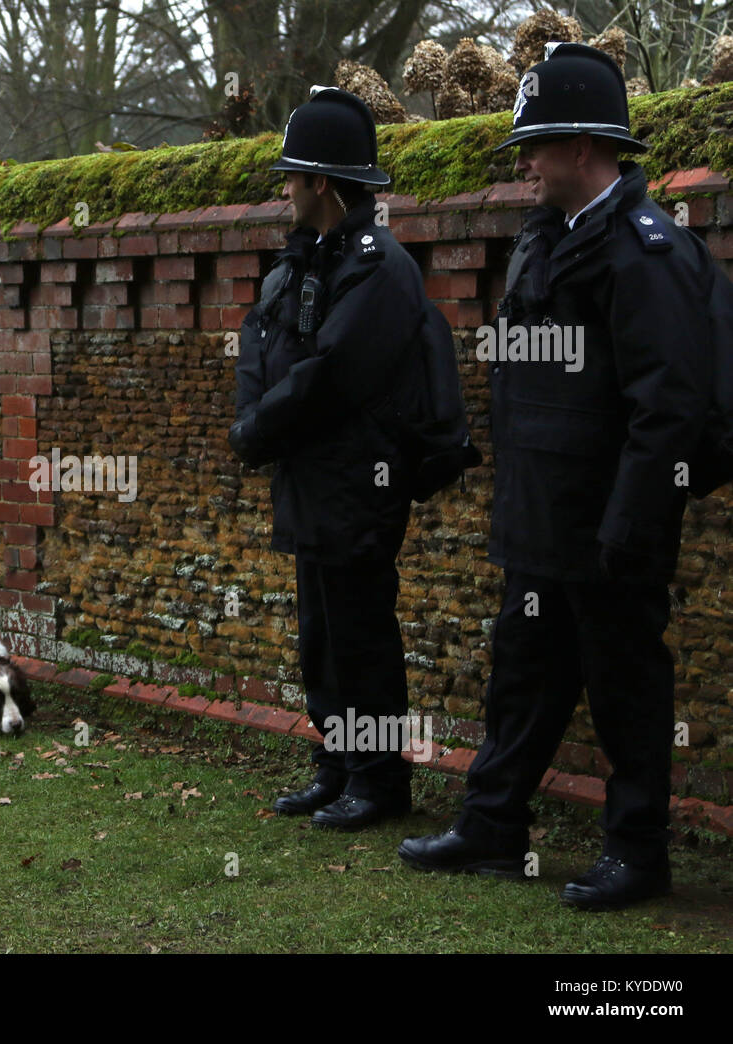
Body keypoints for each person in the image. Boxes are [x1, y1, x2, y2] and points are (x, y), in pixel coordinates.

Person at [398, 43, 715, 910]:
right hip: (541, 517)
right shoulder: (548, 237)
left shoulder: (646, 255)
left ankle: (638, 850)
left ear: (585, 149)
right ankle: (493, 824)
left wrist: (631, 521)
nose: (524, 163)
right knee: (523, 676)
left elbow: (670, 408)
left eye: (536, 147)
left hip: (611, 524)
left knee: (625, 689)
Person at [229, 87, 432, 830]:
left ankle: (379, 780)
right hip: (311, 477)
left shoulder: (380, 267)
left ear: (319, 182)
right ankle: (339, 762)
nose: (284, 187)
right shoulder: (307, 258)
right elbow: (262, 339)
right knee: (321, 635)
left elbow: (334, 373)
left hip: (359, 479)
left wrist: (260, 428)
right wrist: (253, 416)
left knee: (359, 636)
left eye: (292, 174)